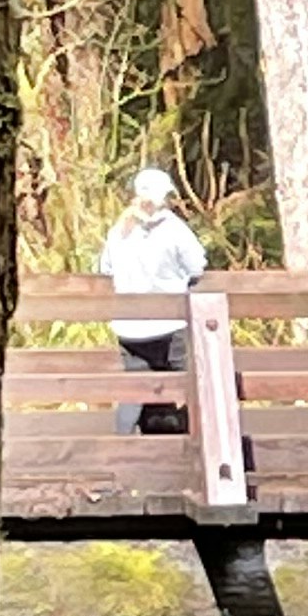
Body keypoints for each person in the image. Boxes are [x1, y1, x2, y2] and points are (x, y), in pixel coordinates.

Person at [101, 164, 209, 435]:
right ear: (166, 197)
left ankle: (121, 444)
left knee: (136, 388)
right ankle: (197, 439)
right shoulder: (174, 229)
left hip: (130, 329)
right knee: (190, 384)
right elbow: (197, 266)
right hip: (170, 326)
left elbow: (105, 268)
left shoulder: (120, 230)